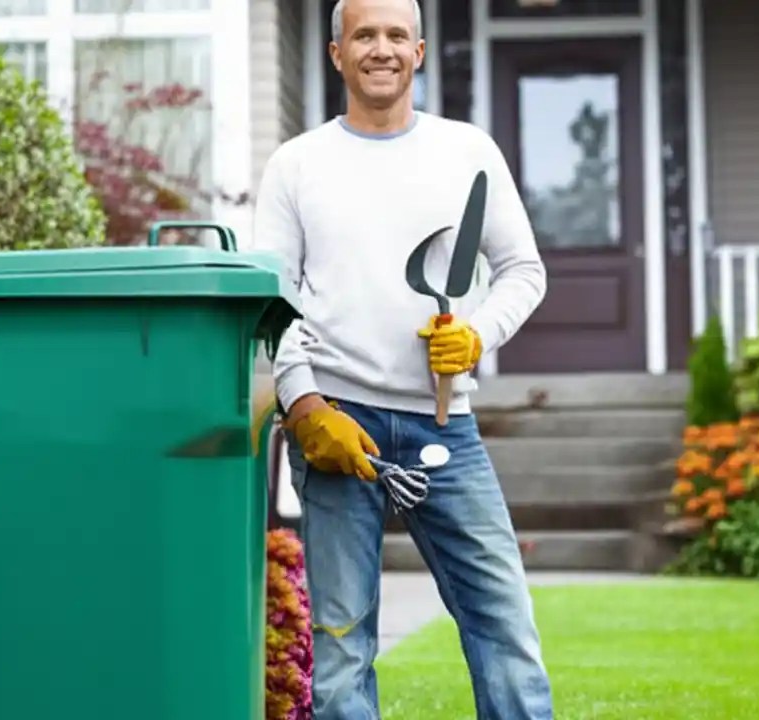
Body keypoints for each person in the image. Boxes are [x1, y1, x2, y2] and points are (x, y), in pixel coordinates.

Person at [251, 0, 553, 717]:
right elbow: (273, 300)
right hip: (337, 428)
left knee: (503, 623)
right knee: (343, 637)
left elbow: (523, 270)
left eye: (395, 35)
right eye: (363, 35)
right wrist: (305, 403)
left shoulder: (466, 152)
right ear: (336, 54)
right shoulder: (297, 164)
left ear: (418, 52)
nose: (380, 49)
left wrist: (477, 334)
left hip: (443, 426)